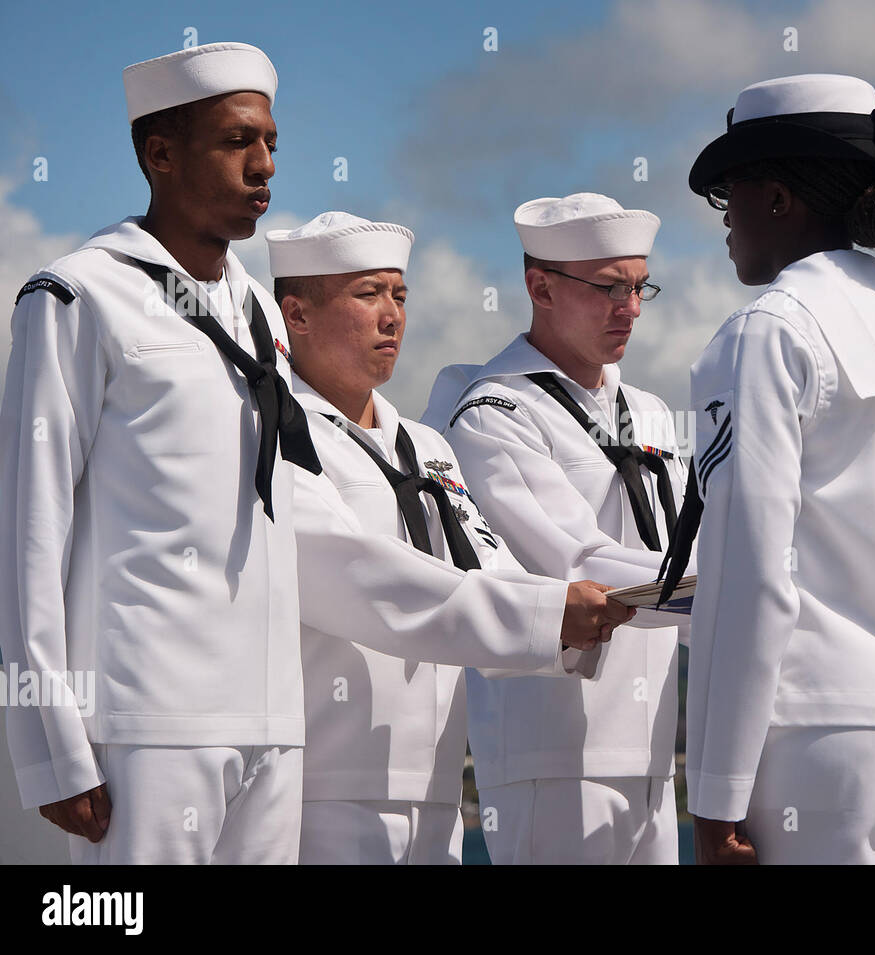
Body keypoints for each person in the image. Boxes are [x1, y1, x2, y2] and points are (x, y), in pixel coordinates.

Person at [0, 42, 320, 863]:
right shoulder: (79, 296)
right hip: (147, 726)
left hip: (272, 721)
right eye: (237, 141)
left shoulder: (261, 314)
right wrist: (50, 747)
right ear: (161, 154)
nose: (264, 165)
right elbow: (30, 527)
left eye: (272, 144)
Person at [661, 72, 875, 865]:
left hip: (820, 730)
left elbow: (751, 575)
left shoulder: (766, 332)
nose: (726, 221)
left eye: (730, 195)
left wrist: (716, 788)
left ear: (778, 199)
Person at [267, 212, 631, 864]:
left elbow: (488, 566)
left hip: (434, 788)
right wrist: (551, 614)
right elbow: (361, 577)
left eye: (400, 296)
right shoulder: (276, 439)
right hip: (323, 788)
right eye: (368, 293)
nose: (391, 316)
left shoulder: (426, 446)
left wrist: (577, 609)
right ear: (296, 314)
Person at [422, 193, 686, 864]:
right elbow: (578, 561)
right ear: (540, 286)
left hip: (649, 744)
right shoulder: (495, 410)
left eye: (638, 286)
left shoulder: (649, 411)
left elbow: (688, 545)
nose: (629, 308)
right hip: (551, 749)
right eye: (607, 288)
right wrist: (729, 587)